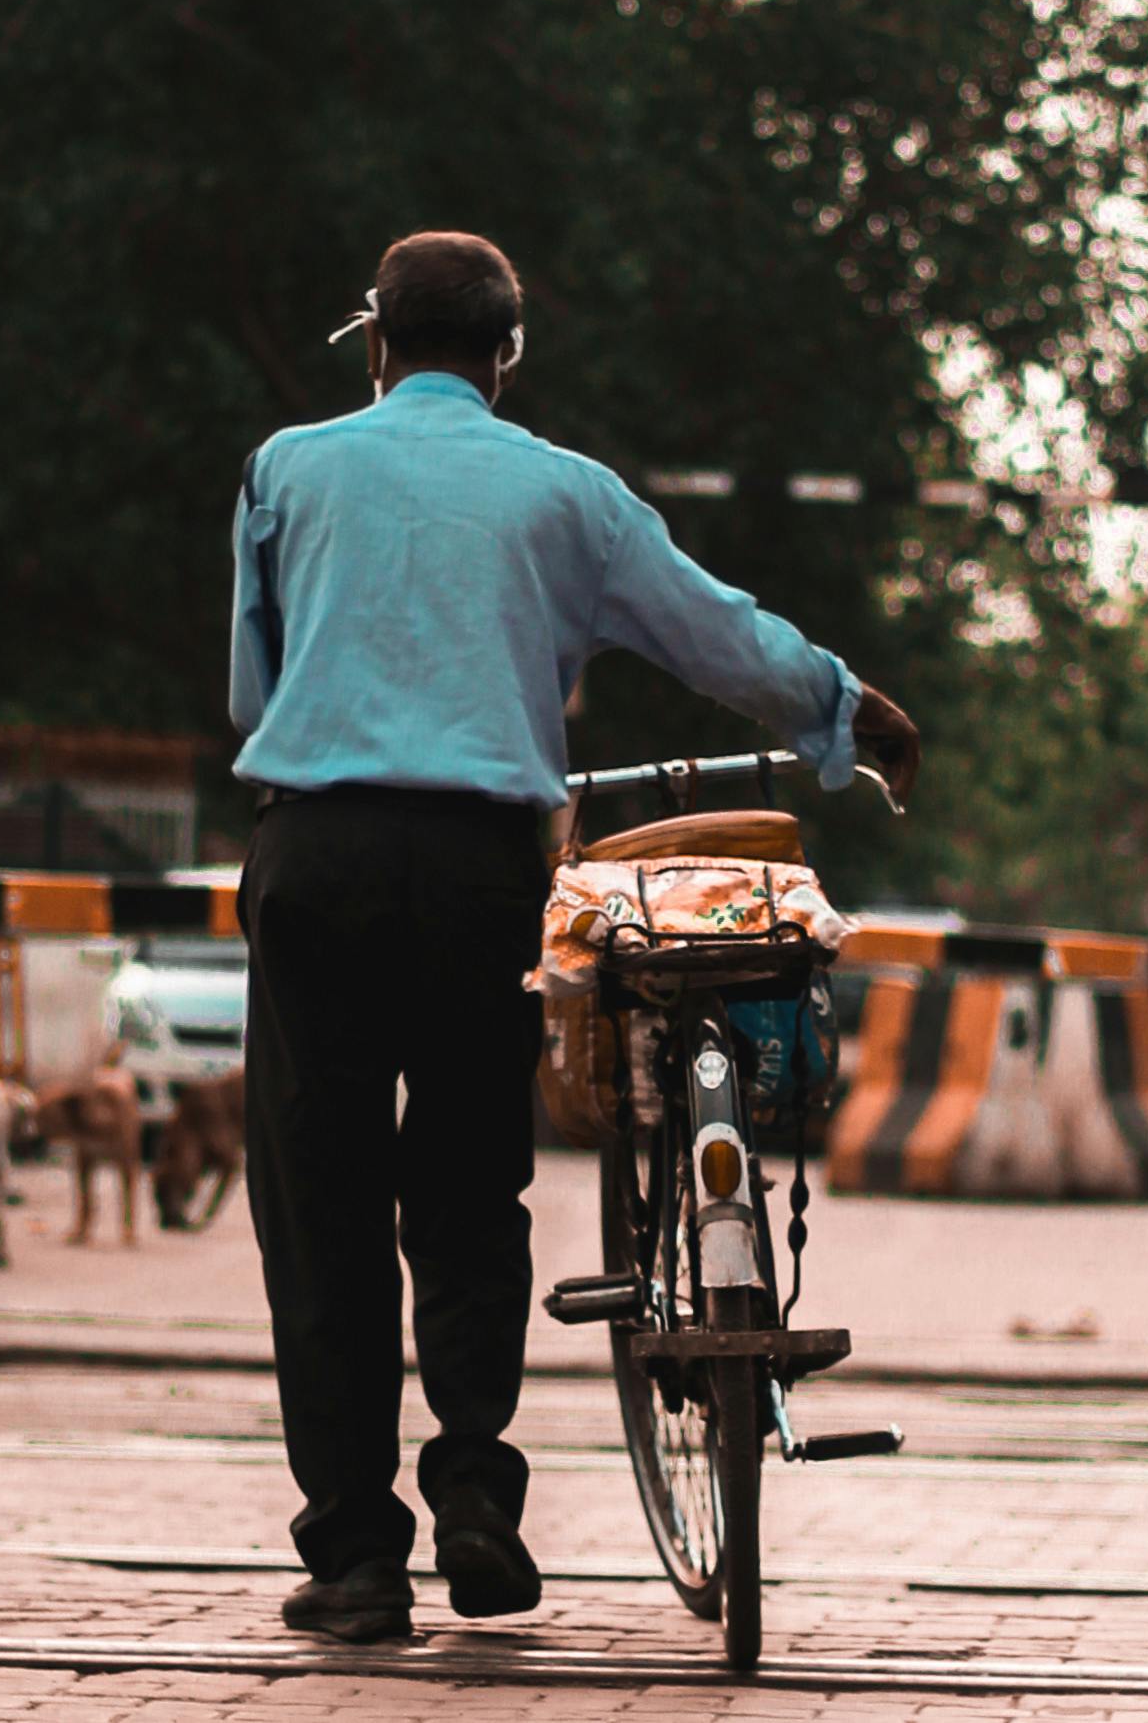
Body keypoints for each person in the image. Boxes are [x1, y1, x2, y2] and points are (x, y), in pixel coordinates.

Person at [229, 229, 919, 1645]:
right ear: (507, 352)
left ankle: (356, 1555)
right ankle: (477, 1490)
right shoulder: (568, 495)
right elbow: (715, 633)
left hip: (317, 858)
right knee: (470, 1190)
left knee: (324, 1207)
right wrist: (847, 714)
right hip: (481, 872)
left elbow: (254, 691)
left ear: (374, 342)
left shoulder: (284, 466)